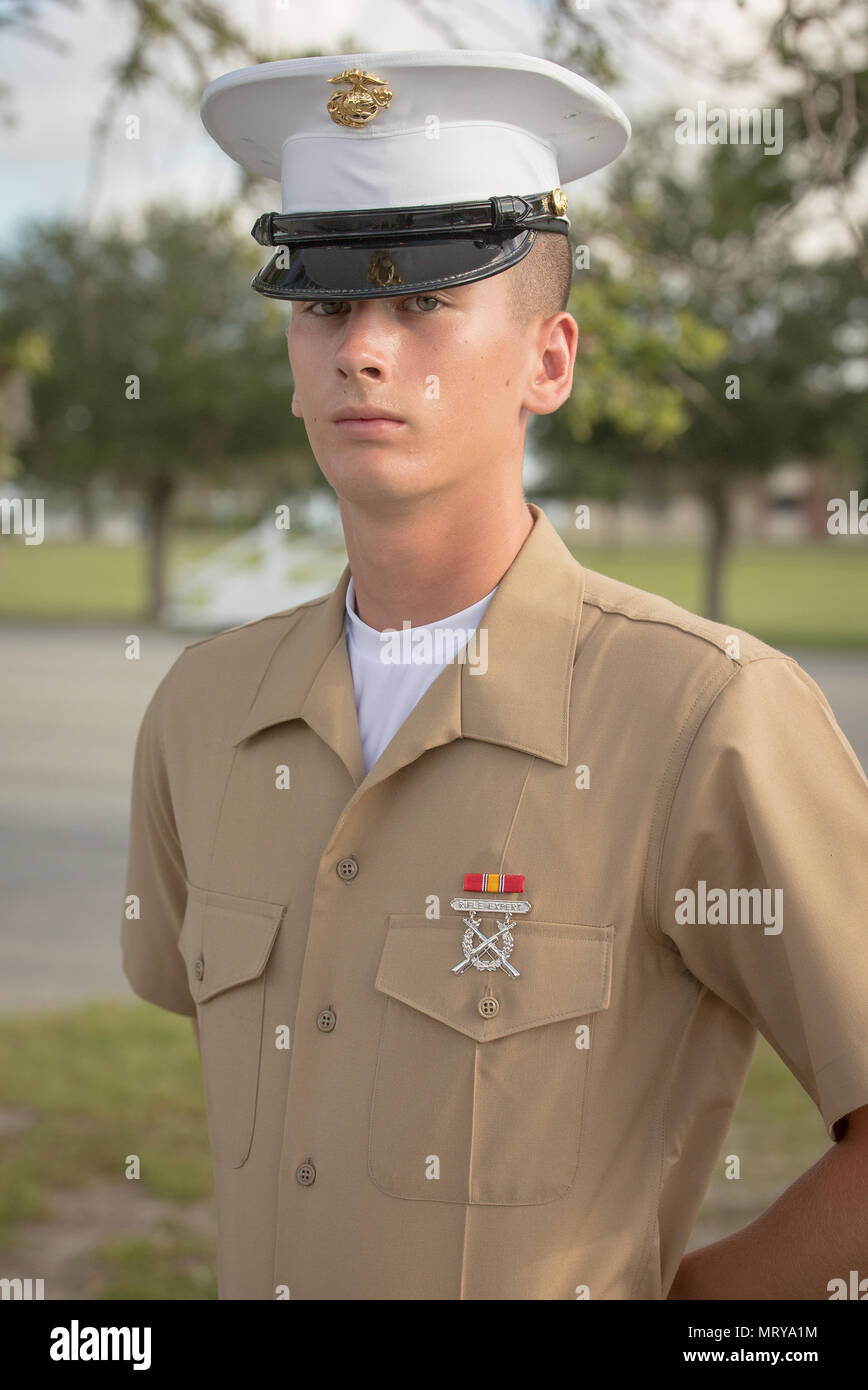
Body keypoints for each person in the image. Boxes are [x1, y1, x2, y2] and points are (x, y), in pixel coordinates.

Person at [121, 49, 868, 1301]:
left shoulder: (704, 714)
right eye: (321, 305)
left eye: (422, 304)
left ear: (549, 360)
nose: (362, 350)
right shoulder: (203, 710)